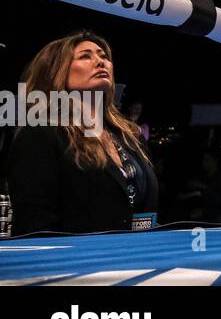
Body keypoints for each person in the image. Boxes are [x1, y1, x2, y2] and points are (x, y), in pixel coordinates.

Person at [6, 31, 159, 235]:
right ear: (55, 72)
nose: (100, 62)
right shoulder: (41, 134)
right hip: (74, 262)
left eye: (103, 56)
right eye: (85, 56)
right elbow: (35, 225)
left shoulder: (130, 136)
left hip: (136, 258)